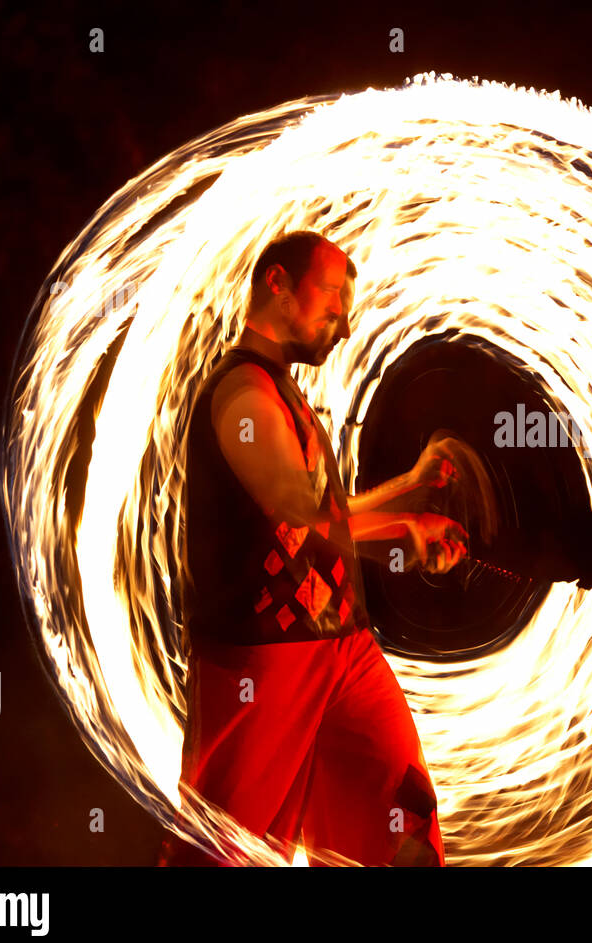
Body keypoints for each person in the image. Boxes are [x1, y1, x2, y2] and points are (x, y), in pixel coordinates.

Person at [157, 230, 468, 866]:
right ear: (277, 284)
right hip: (262, 665)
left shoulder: (290, 397)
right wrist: (401, 526)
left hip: (345, 653)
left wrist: (409, 497)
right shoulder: (240, 392)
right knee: (226, 852)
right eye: (332, 300)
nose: (344, 324)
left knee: (402, 822)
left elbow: (319, 522)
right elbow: (293, 506)